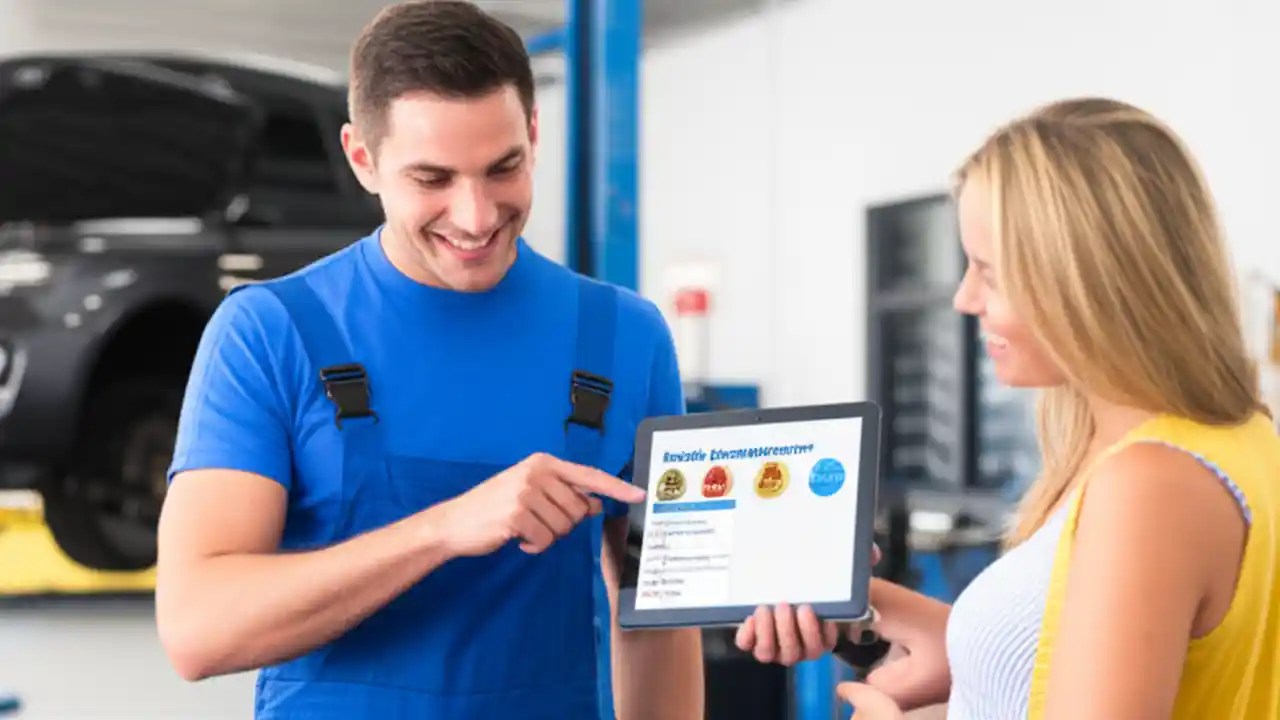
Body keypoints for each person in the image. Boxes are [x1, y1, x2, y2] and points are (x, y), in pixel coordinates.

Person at [153, 2, 704, 718]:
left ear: (534, 135)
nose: (476, 216)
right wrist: (444, 530)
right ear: (363, 159)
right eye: (433, 179)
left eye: (503, 168)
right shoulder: (270, 333)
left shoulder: (625, 336)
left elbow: (658, 618)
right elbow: (197, 630)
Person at [736, 97, 1280, 718]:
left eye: (989, 273)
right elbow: (1055, 660)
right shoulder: (1236, 439)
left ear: (1082, 278)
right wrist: (858, 604)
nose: (965, 299)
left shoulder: (1149, 485)